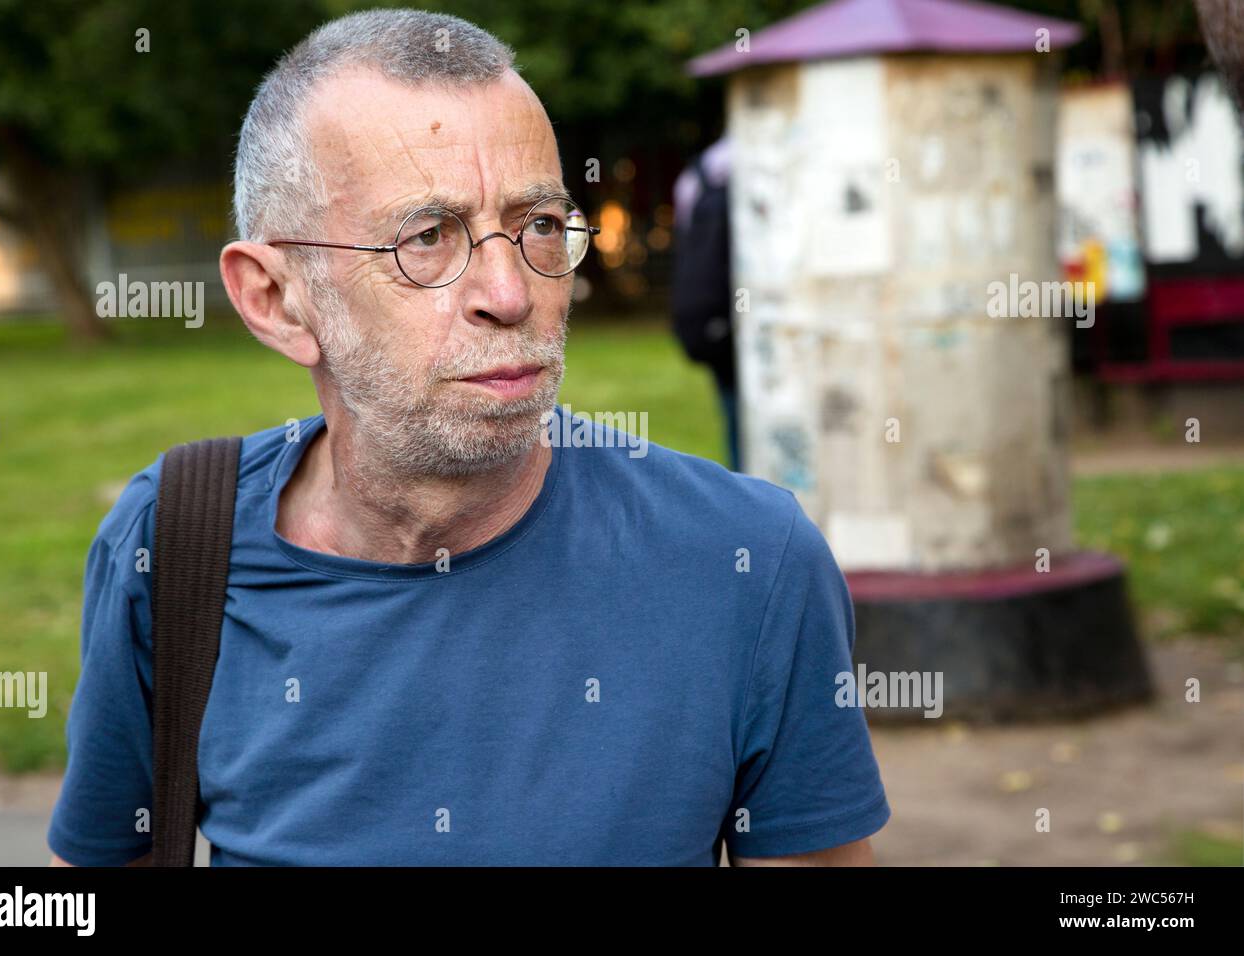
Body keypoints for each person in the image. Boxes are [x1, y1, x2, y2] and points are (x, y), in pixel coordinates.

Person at [47, 8, 888, 867]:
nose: (508, 291)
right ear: (274, 298)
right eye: (427, 238)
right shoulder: (177, 545)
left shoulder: (745, 562)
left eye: (538, 227)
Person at [671, 135, 741, 471]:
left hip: (707, 315)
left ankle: (745, 479)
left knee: (734, 415)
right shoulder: (750, 159)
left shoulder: (695, 175)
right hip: (734, 312)